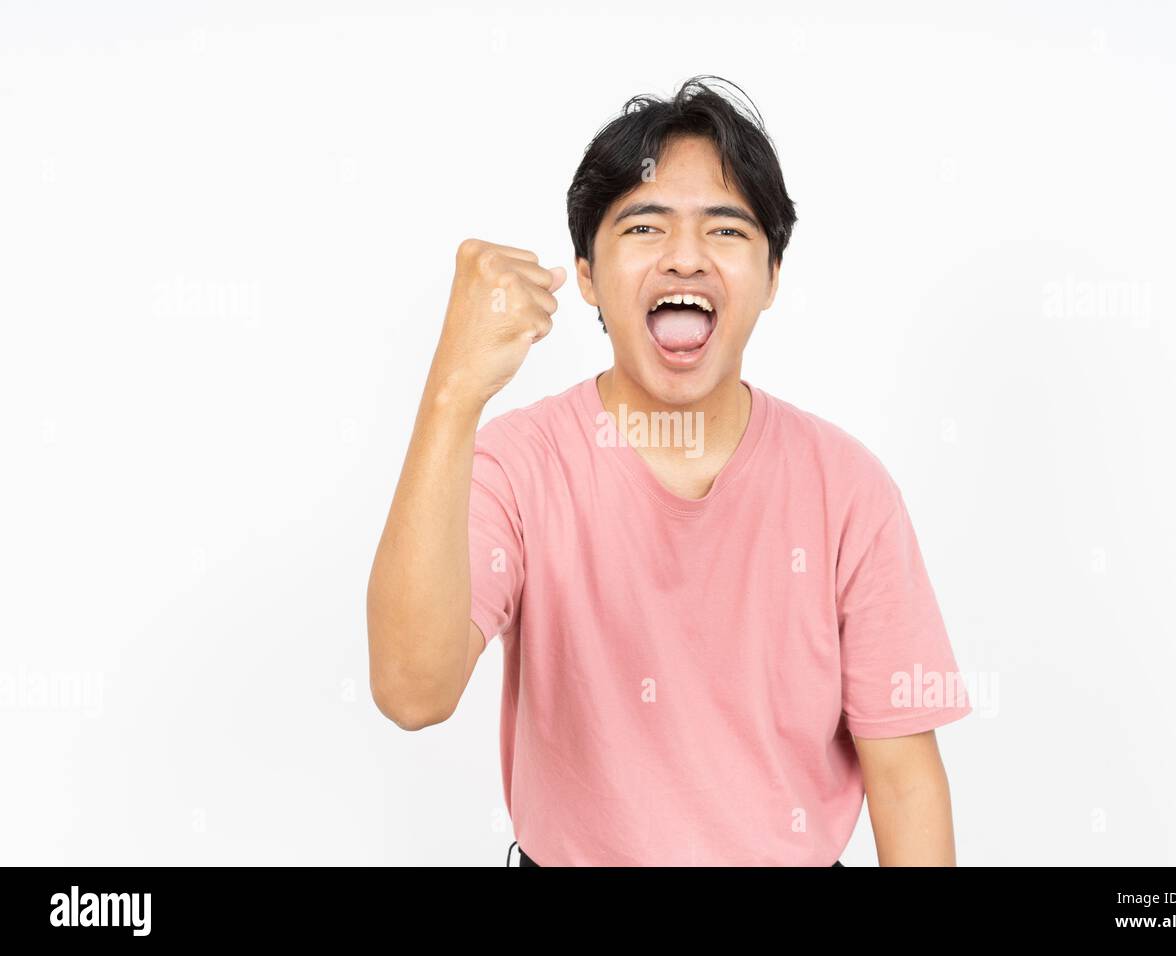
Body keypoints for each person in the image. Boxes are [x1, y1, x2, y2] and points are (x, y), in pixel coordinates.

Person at [367, 75, 974, 867]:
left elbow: (905, 784)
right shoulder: (517, 464)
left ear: (772, 276)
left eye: (726, 231)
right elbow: (413, 692)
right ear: (586, 273)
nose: (686, 257)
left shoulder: (849, 488)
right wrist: (452, 396)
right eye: (646, 226)